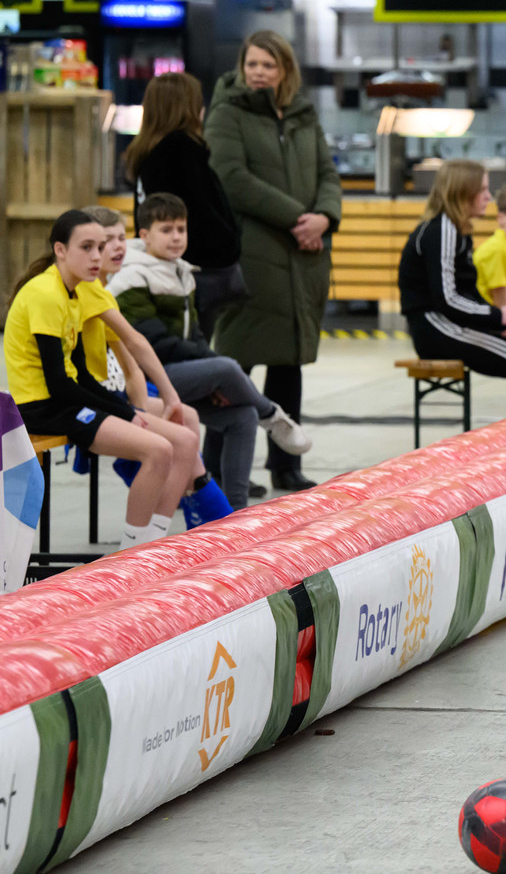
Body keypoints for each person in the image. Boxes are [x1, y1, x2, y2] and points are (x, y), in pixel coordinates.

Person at [4, 210, 200, 550]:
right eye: (87, 247)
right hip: (41, 408)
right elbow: (59, 385)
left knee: (182, 441)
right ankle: (133, 554)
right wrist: (126, 414)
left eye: (101, 246)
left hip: (67, 402)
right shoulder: (46, 294)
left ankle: (154, 546)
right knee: (158, 449)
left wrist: (127, 409)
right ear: (61, 250)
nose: (97, 256)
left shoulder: (75, 294)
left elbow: (81, 377)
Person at [107, 193, 312, 510]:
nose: (176, 237)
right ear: (144, 235)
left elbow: (196, 337)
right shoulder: (132, 276)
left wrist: (209, 373)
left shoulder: (183, 272)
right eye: (167, 230)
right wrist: (212, 371)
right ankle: (271, 415)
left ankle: (235, 511)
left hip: (178, 376)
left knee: (241, 415)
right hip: (145, 381)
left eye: (181, 229)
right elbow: (156, 344)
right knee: (228, 368)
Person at [205, 29, 341, 492]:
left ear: (285, 70)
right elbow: (230, 177)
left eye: (268, 65)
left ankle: (285, 464)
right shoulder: (228, 112)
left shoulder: (303, 115)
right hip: (255, 255)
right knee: (235, 365)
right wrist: (297, 218)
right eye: (252, 64)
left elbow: (327, 171)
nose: (259, 73)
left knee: (289, 362)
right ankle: (218, 467)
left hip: (303, 257)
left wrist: (324, 217)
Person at [81, 205, 232, 527]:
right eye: (106, 241)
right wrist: (136, 413)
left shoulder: (102, 290)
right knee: (182, 437)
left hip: (117, 392)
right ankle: (175, 532)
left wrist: (156, 401)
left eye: (122, 238)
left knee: (188, 416)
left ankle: (200, 520)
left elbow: (132, 361)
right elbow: (138, 347)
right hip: (89, 401)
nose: (118, 247)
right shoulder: (88, 291)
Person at [397, 160, 506, 417]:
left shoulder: (459, 230)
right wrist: (498, 317)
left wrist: (499, 323)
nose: (488, 197)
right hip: (437, 328)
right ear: (462, 192)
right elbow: (448, 298)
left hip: (454, 323)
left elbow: (467, 293)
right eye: (483, 190)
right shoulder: (441, 229)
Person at [124, 72, 245, 343]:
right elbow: (201, 212)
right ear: (186, 106)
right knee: (194, 354)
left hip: (163, 268)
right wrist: (230, 244)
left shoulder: (146, 151)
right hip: (195, 272)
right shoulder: (181, 150)